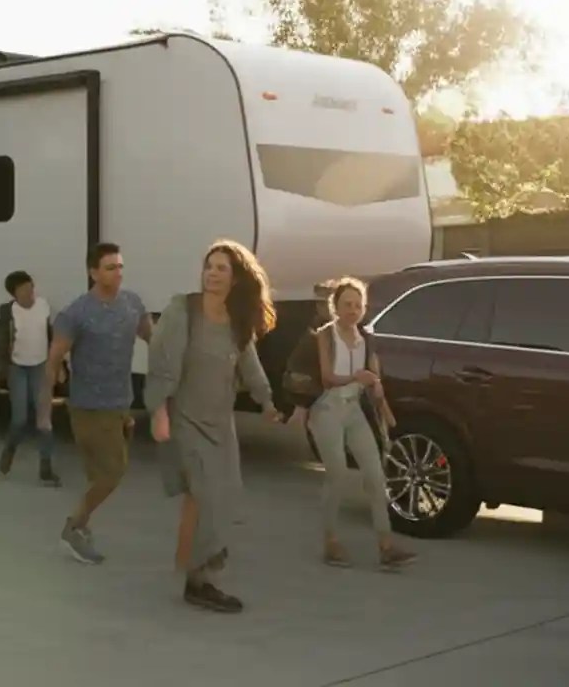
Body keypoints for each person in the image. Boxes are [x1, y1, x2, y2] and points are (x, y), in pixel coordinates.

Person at [145, 239, 281, 613]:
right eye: (209, 266)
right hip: (186, 420)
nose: (212, 273)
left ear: (235, 279)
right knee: (207, 495)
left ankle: (201, 569)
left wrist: (267, 402)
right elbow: (161, 359)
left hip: (221, 424)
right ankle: (198, 581)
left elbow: (250, 367)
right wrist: (158, 409)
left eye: (222, 268)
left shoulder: (237, 325)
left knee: (227, 495)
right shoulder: (182, 310)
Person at [38, 243, 152, 565]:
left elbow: (153, 338)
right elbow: (54, 360)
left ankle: (81, 526)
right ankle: (73, 528)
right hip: (89, 407)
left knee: (102, 473)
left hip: (121, 404)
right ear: (92, 273)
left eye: (120, 267)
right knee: (112, 473)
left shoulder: (132, 304)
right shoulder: (77, 313)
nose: (117, 273)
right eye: (109, 268)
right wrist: (45, 410)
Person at [307, 276, 417, 570]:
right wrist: (359, 377)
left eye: (358, 305)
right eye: (347, 305)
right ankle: (331, 541)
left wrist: (377, 390)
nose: (353, 310)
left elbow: (373, 379)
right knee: (338, 474)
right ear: (335, 307)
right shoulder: (326, 335)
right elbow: (327, 377)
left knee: (375, 474)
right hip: (328, 409)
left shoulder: (366, 339)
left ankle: (386, 545)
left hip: (354, 408)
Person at [0, 270, 64, 487]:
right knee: (19, 419)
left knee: (44, 420)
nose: (30, 292)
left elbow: (53, 337)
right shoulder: (8, 314)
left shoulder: (43, 306)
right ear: (15, 293)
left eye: (31, 287)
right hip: (18, 368)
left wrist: (59, 364)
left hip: (40, 366)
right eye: (24, 289)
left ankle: (46, 469)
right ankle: (10, 449)